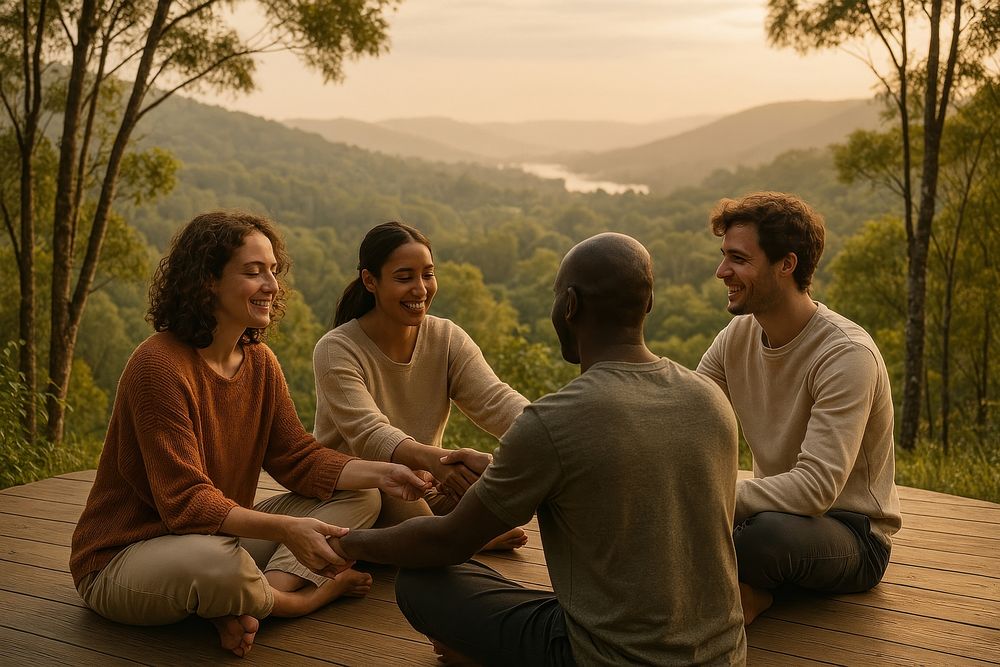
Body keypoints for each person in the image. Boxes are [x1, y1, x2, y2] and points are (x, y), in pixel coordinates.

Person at [330, 232, 747, 666]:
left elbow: (446, 544)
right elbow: (587, 459)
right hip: (724, 655)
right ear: (648, 304)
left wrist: (346, 543)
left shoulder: (553, 423)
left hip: (603, 655)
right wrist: (516, 457)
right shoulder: (711, 399)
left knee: (421, 582)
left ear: (568, 306)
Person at [70, 211, 433, 658]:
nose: (271, 286)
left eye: (273, 271)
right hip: (124, 557)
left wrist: (385, 473)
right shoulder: (157, 366)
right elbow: (185, 501)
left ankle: (241, 606)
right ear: (207, 281)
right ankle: (294, 600)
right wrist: (288, 531)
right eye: (253, 271)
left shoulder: (259, 362)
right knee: (219, 566)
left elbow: (297, 457)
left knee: (362, 498)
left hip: (212, 537)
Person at [696, 192, 902, 625]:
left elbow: (815, 488)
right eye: (724, 257)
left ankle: (760, 596)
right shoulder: (735, 337)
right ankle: (742, 592)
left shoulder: (845, 354)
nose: (722, 272)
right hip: (771, 514)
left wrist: (707, 498)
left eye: (738, 259)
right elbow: (688, 418)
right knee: (677, 518)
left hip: (850, 534)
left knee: (760, 539)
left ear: (786, 265)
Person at [312, 221, 529, 550]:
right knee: (414, 517)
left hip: (425, 482)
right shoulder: (336, 349)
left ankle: (446, 536)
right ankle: (458, 540)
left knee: (507, 499)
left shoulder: (446, 337)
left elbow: (496, 401)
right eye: (404, 277)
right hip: (358, 489)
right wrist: (441, 462)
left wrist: (549, 436)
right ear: (370, 281)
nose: (420, 289)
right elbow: (370, 434)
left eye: (427, 274)